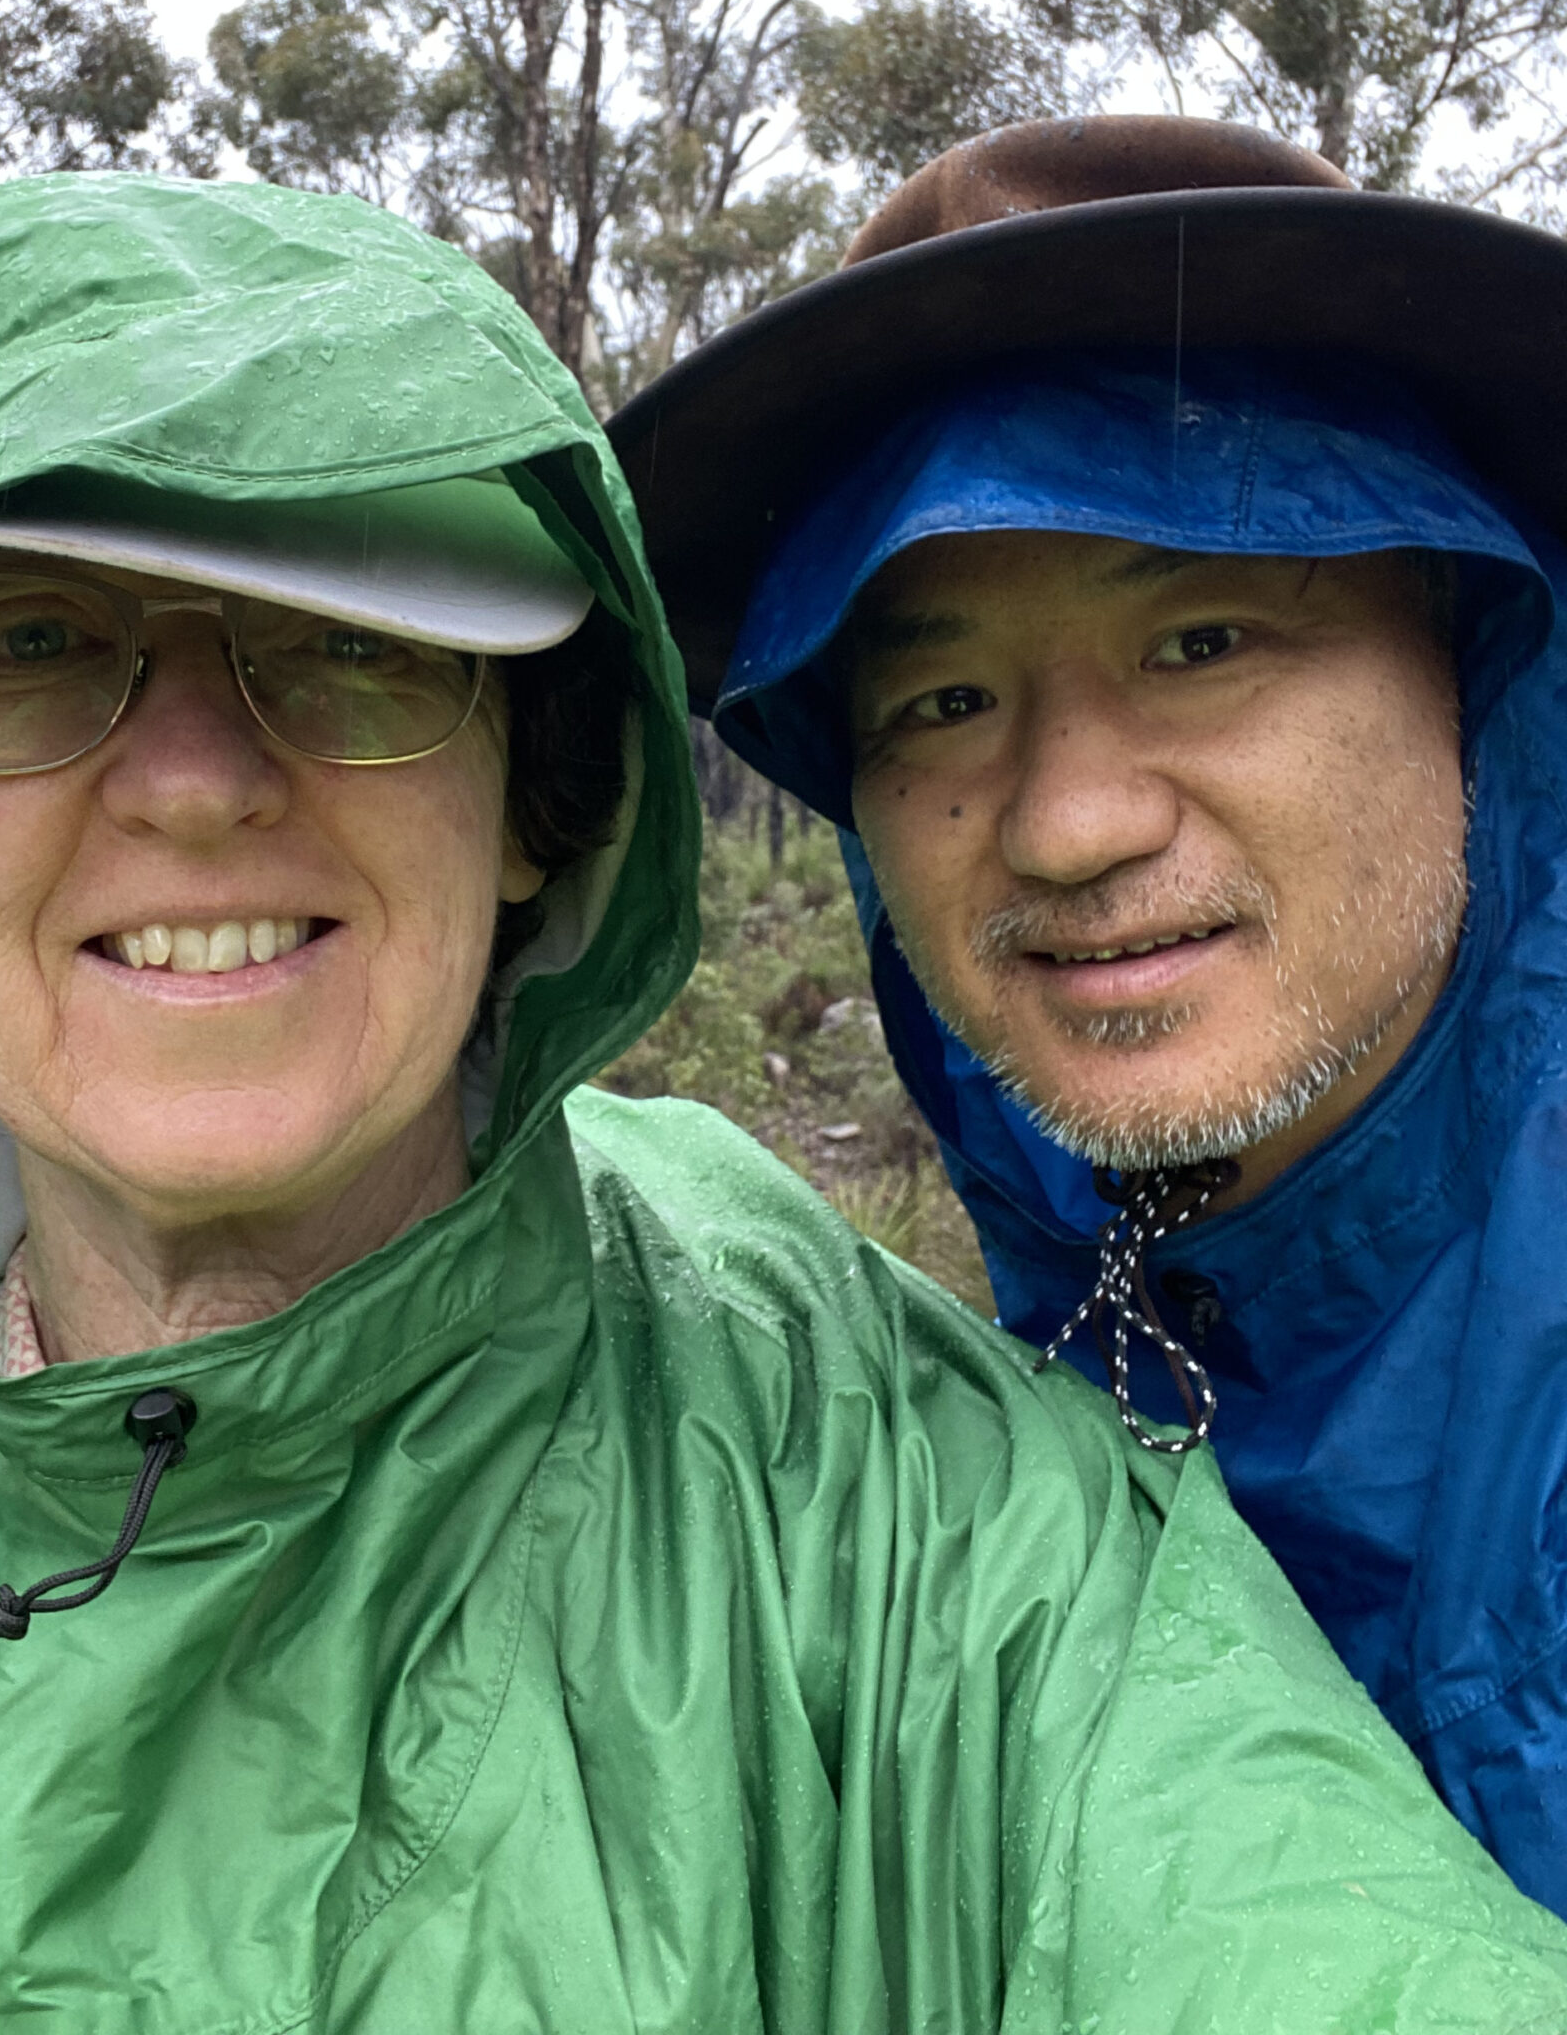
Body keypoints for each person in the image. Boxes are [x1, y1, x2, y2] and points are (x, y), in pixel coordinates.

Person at [0, 173, 1567, 2035]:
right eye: (34, 641)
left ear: (537, 798)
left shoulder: (921, 1518)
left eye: (350, 641)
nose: (190, 785)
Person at [608, 112, 1567, 1922]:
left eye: (1201, 640)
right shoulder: (989, 1388)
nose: (1063, 821)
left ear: (1468, 647)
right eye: (946, 696)